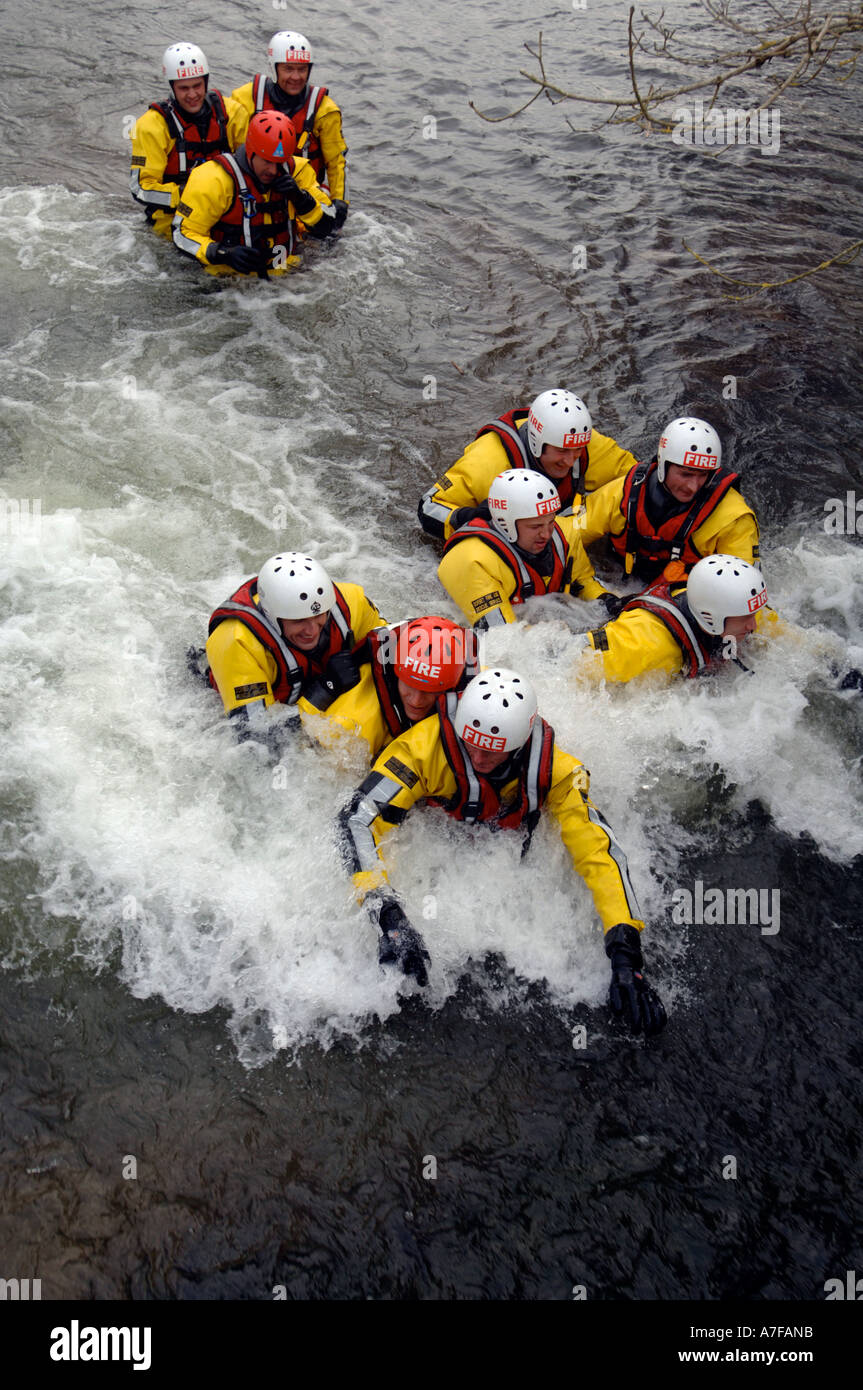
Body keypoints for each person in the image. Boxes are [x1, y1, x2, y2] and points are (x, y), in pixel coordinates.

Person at [338, 667, 667, 1035]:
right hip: (435, 828)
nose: (477, 759)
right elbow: (357, 819)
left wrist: (626, 955)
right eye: (471, 745)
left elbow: (599, 852)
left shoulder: (558, 771)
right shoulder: (420, 750)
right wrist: (387, 915)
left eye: (491, 751)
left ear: (521, 742)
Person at [204, 552, 385, 738]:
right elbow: (257, 740)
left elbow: (395, 650)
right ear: (272, 617)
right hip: (233, 705)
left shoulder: (351, 602)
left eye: (318, 615)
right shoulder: (237, 642)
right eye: (299, 620)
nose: (312, 630)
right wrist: (326, 689)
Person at [418, 389, 637, 541]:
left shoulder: (588, 445)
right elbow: (428, 507)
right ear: (537, 442)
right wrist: (475, 518)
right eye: (561, 451)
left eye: (577, 451)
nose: (570, 461)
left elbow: (639, 479)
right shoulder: (488, 461)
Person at [581, 416, 760, 585]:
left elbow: (743, 592)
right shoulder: (624, 494)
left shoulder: (734, 519)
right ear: (662, 464)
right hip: (621, 577)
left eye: (703, 475)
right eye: (685, 474)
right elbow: (569, 536)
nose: (693, 486)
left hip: (690, 598)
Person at [437, 469, 621, 630]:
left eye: (550, 521)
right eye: (535, 527)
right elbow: (500, 635)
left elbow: (582, 581)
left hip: (537, 615)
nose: (546, 534)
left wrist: (608, 602)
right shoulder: (472, 561)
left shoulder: (564, 533)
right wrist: (553, 637)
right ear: (505, 523)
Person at [173, 111, 336, 277]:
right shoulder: (212, 179)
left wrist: (301, 199)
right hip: (227, 278)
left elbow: (329, 224)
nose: (273, 170)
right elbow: (182, 234)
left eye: (279, 163)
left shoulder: (299, 172)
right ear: (251, 151)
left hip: (284, 273)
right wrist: (221, 253)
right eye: (266, 161)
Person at [300, 616, 479, 761]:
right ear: (396, 672)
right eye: (409, 685)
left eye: (429, 690)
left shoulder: (476, 686)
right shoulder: (350, 728)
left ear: (452, 685)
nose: (416, 701)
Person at [576, 554, 770, 683]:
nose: (753, 625)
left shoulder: (736, 607)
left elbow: (784, 634)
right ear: (712, 617)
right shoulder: (647, 641)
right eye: (746, 618)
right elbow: (573, 657)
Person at [130, 43, 248, 240]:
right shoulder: (151, 126)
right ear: (172, 87)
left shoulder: (233, 113)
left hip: (223, 213)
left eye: (197, 86)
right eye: (184, 88)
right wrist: (188, 194)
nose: (192, 95)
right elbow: (141, 188)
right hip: (172, 220)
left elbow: (253, 166)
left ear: (206, 82)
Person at [231, 30, 348, 228]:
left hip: (303, 189)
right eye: (288, 69)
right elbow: (232, 150)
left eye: (302, 70)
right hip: (254, 187)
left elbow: (336, 162)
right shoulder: (244, 99)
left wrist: (340, 201)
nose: (296, 77)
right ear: (274, 67)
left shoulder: (325, 111)